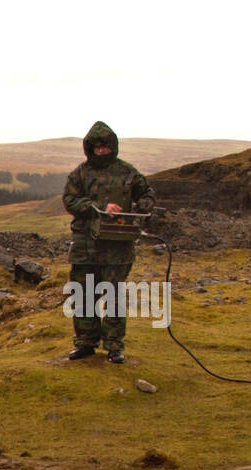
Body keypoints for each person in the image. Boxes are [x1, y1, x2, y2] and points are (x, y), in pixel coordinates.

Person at [61, 121, 156, 363]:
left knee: (113, 295)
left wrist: (142, 205)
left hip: (117, 246)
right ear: (89, 148)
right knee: (83, 294)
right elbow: (70, 200)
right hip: (86, 245)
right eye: (97, 147)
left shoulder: (128, 173)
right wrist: (98, 208)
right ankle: (85, 342)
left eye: (105, 146)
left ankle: (114, 346)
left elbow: (146, 193)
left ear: (113, 146)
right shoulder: (79, 174)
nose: (101, 151)